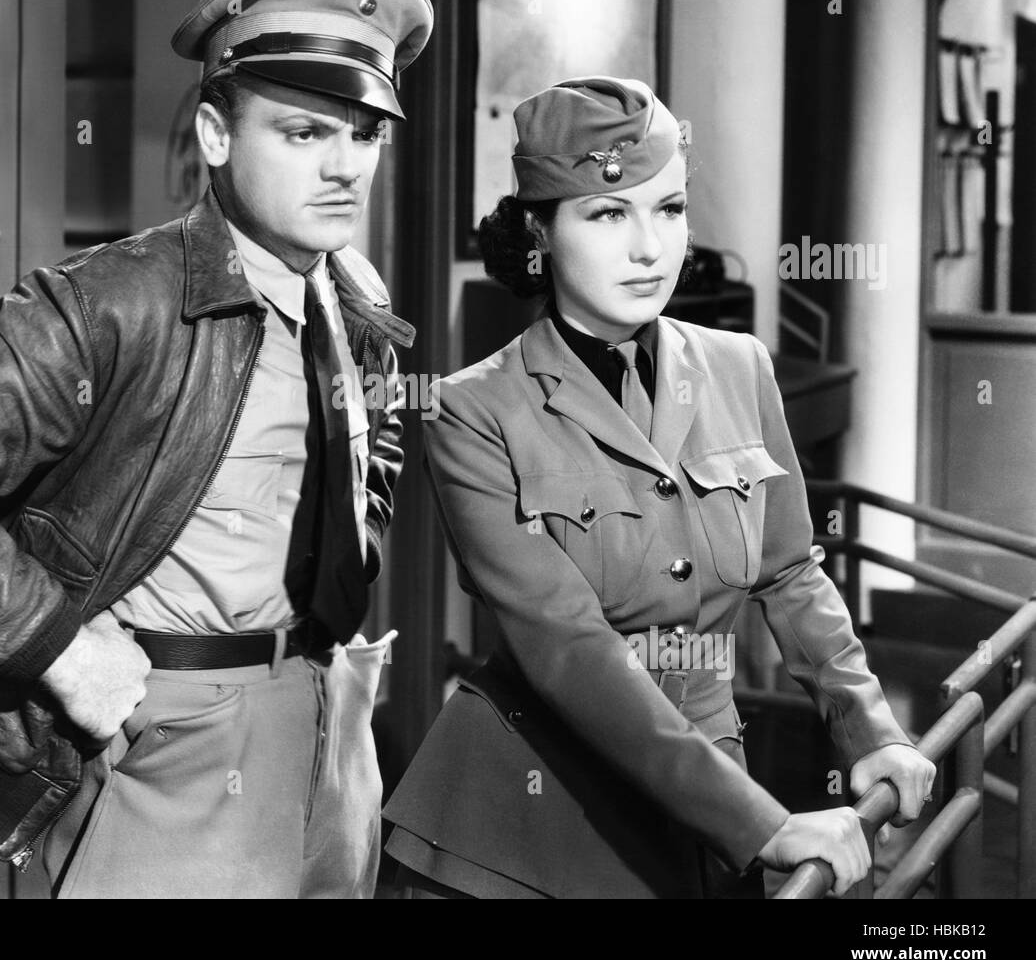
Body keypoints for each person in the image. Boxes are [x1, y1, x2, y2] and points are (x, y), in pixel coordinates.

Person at [0, 0, 432, 898]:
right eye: (306, 132)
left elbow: (372, 452)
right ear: (216, 136)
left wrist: (354, 556)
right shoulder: (114, 301)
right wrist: (60, 649)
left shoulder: (353, 294)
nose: (345, 165)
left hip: (333, 728)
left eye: (365, 135)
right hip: (172, 737)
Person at [382, 76, 934, 899]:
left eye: (669, 209)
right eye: (608, 214)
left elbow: (790, 572)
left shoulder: (738, 365)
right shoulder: (472, 408)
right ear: (540, 231)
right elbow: (571, 650)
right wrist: (765, 822)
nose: (650, 248)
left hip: (701, 823)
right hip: (520, 843)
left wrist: (869, 728)